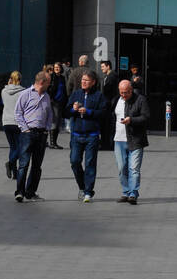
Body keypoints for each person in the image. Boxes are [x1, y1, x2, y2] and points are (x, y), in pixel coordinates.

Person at [14, 70, 53, 201]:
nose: (50, 84)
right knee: (24, 164)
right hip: (28, 133)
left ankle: (30, 192)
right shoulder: (25, 94)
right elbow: (18, 113)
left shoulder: (46, 96)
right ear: (42, 82)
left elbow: (49, 115)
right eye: (49, 82)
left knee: (37, 166)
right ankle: (19, 192)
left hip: (41, 134)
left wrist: (47, 129)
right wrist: (25, 129)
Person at [67, 69, 105, 201]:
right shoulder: (76, 94)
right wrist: (73, 109)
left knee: (90, 164)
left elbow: (103, 113)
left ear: (93, 82)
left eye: (86, 80)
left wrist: (89, 112)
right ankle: (82, 186)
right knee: (74, 161)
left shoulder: (99, 96)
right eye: (82, 80)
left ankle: (88, 191)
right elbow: (66, 112)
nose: (83, 82)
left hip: (92, 135)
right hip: (76, 135)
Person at [113, 77, 150, 205]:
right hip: (119, 139)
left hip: (135, 139)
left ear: (131, 90)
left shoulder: (140, 100)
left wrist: (131, 120)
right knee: (122, 168)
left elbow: (145, 117)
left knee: (134, 168)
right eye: (121, 92)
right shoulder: (117, 100)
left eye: (126, 92)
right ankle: (126, 191)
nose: (124, 95)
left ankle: (133, 193)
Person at [1, 71, 24, 180]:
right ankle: (10, 163)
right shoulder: (23, 92)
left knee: (13, 147)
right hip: (17, 122)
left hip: (6, 121)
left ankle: (14, 172)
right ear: (19, 79)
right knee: (21, 147)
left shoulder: (3, 91)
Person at [47, 61, 68, 149]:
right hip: (54, 102)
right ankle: (52, 143)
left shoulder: (62, 78)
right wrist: (51, 98)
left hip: (60, 102)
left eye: (58, 67)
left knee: (58, 122)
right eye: (55, 67)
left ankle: (54, 142)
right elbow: (48, 88)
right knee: (54, 121)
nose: (56, 68)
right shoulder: (52, 76)